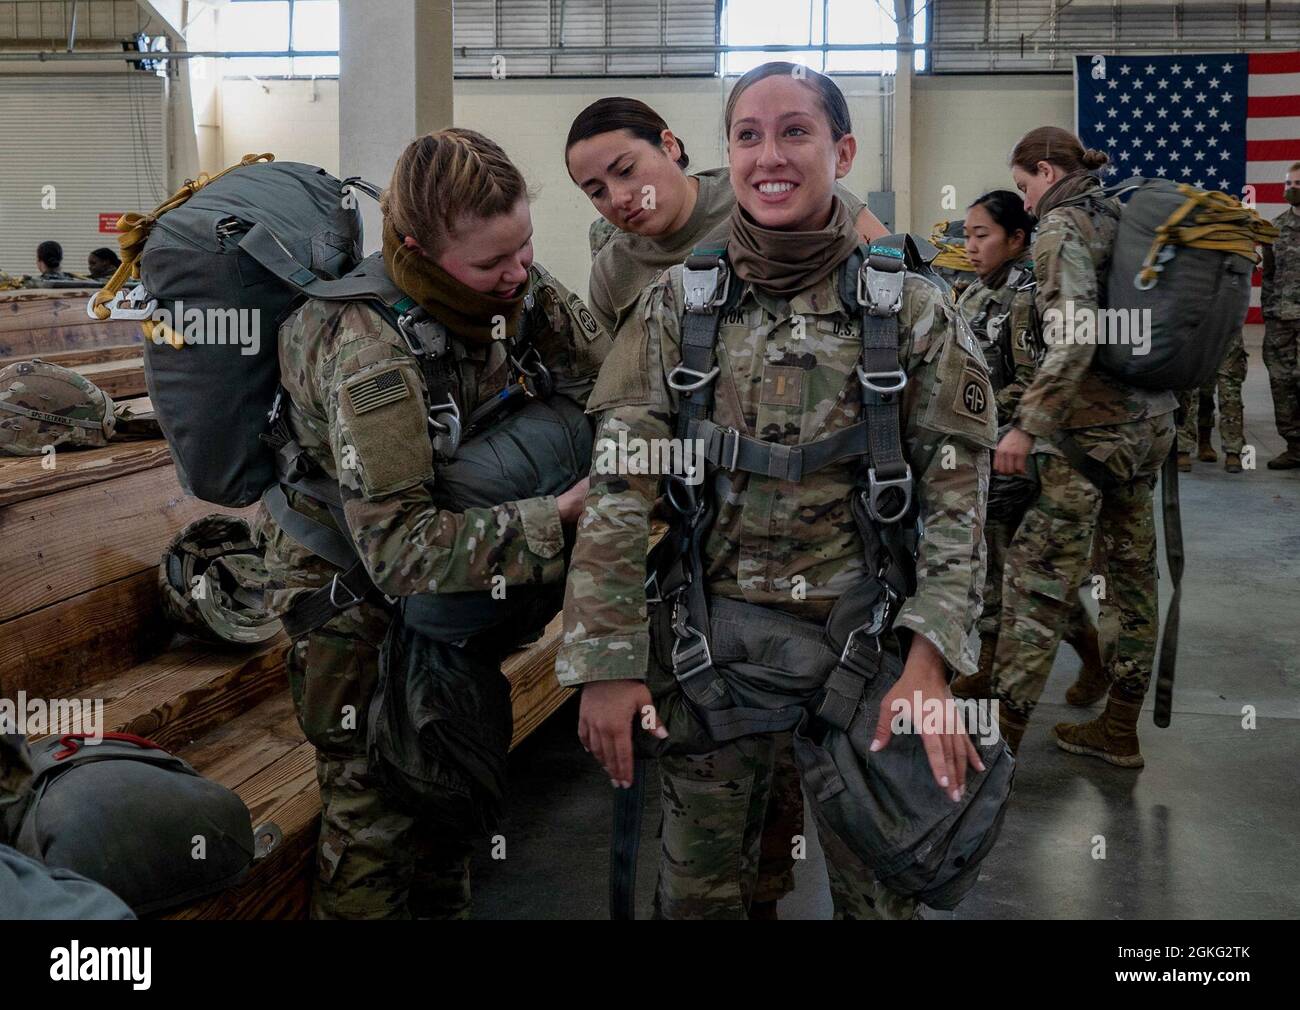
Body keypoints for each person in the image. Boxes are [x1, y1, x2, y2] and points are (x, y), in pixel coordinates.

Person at [558, 63, 995, 919]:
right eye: (749, 136)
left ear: (842, 149)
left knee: (883, 898)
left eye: (795, 132)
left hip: (870, 651)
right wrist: (605, 663)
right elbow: (618, 494)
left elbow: (956, 501)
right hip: (713, 651)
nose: (770, 155)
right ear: (727, 152)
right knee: (700, 897)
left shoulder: (910, 310)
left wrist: (930, 659)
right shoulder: (674, 307)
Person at [252, 127, 612, 919]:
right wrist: (557, 515)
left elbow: (605, 382)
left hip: (459, 581)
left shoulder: (513, 289)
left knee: (450, 790)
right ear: (416, 249)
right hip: (350, 604)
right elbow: (399, 552)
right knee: (376, 816)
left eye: (523, 248)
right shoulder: (367, 351)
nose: (518, 273)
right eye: (492, 264)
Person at [993, 127, 1178, 764]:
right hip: (1150, 424)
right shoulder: (1122, 212)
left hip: (1089, 439)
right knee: (1133, 578)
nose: (1025, 201)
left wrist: (1027, 424)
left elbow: (1071, 334)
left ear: (1045, 170)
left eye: (1024, 186)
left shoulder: (1061, 227)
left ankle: (1001, 744)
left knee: (1036, 583)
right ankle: (1120, 728)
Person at [948, 191, 1106, 708]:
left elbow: (1032, 379)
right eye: (966, 235)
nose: (970, 247)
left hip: (1014, 453)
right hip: (978, 451)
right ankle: (989, 658)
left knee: (1029, 575)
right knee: (990, 564)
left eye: (982, 236)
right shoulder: (973, 293)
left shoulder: (1025, 296)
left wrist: (985, 413)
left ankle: (1093, 658)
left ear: (1017, 239)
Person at [566, 96, 889, 338]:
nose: (618, 198)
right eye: (596, 192)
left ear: (668, 146)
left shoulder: (764, 194)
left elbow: (894, 268)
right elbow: (611, 379)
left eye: (626, 170)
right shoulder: (612, 269)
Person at [1260, 160, 1300, 470]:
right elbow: (1269, 276)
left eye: (1297, 184)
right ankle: (1295, 446)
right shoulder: (1274, 228)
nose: (1291, 189)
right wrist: (1270, 314)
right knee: (1281, 382)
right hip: (1280, 320)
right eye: (1288, 184)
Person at [1175, 331, 1247, 474]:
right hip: (1195, 326)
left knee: (1230, 393)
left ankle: (1233, 450)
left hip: (1227, 329)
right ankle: (1183, 448)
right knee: (1190, 388)